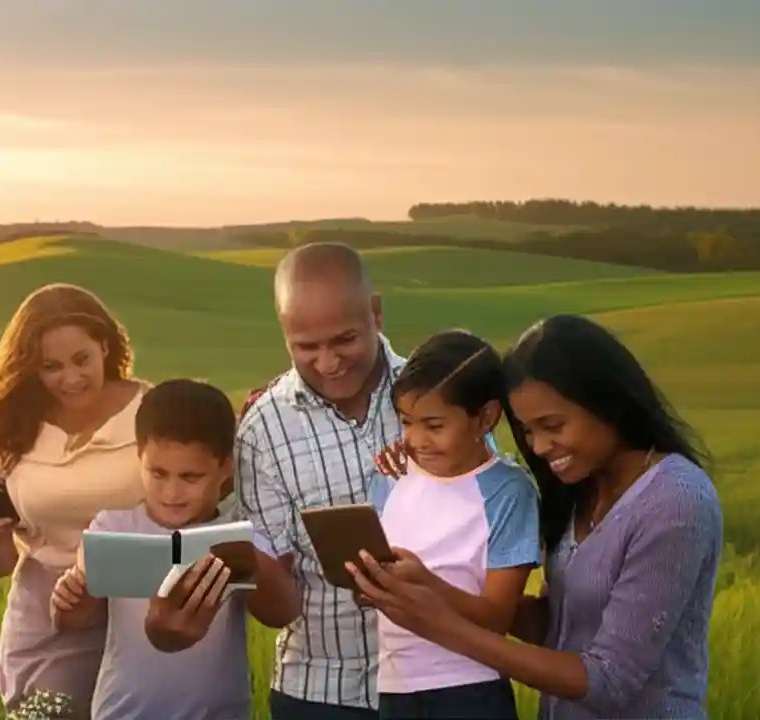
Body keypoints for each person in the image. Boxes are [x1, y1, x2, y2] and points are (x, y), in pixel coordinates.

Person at [350, 314, 722, 719]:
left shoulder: (675, 499)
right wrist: (427, 583)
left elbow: (608, 681)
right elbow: (559, 626)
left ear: (607, 402)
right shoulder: (582, 486)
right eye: (527, 430)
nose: (540, 446)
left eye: (552, 425)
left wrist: (443, 625)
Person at [0, 283, 151, 718]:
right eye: (51, 367)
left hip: (142, 605)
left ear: (104, 344)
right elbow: (0, 564)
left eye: (81, 359)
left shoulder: (153, 412)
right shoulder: (2, 432)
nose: (71, 378)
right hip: (48, 610)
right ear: (31, 369)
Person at [50, 378, 301, 719]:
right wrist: (67, 601)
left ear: (224, 467)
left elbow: (281, 613)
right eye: (158, 473)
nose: (171, 492)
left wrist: (247, 556)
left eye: (190, 477)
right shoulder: (113, 528)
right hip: (124, 712)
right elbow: (75, 619)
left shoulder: (237, 533)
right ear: (139, 456)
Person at [234, 241, 406, 719]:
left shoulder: (436, 399)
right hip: (321, 691)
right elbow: (274, 605)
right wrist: (246, 565)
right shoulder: (262, 430)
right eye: (306, 348)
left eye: (344, 340)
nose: (328, 363)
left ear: (376, 313)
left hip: (441, 685)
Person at [366, 329, 541, 719]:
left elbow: (497, 616)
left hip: (470, 690)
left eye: (434, 425)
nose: (416, 439)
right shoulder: (389, 477)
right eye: (406, 422)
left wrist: (423, 583)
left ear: (486, 417)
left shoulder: (508, 493)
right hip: (394, 688)